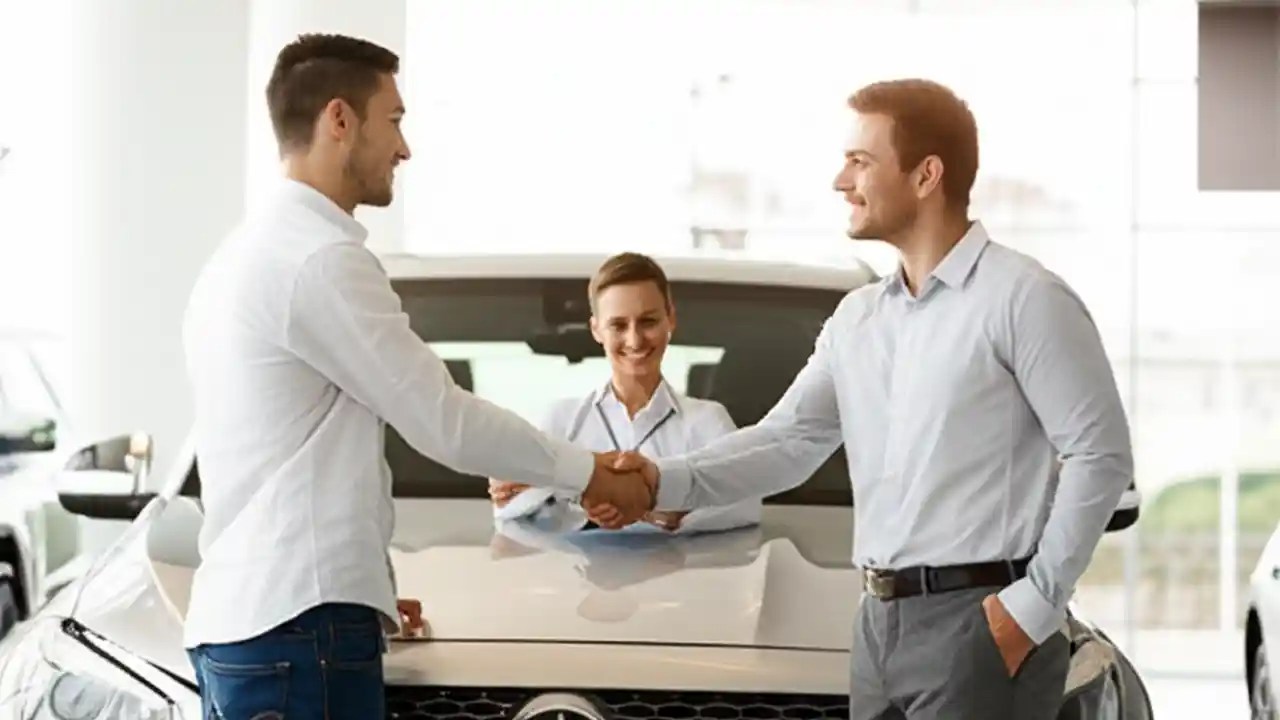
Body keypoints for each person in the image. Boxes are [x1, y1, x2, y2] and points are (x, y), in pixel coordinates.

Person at [604, 79, 1134, 719]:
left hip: (982, 623)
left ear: (926, 175)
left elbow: (1100, 455)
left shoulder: (1023, 298)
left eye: (860, 161)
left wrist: (1031, 608)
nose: (839, 180)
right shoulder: (858, 320)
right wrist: (663, 479)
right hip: (876, 623)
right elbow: (789, 440)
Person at [180, 34, 651, 720]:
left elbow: (281, 454)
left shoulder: (238, 256)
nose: (405, 148)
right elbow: (444, 421)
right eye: (394, 120)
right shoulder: (318, 261)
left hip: (263, 620)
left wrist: (357, 588)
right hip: (297, 634)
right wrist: (592, 473)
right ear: (340, 120)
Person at [488, 252, 760, 535]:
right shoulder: (559, 421)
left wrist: (661, 511)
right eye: (618, 325)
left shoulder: (707, 422)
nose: (634, 339)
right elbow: (508, 508)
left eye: (648, 322)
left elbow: (746, 504)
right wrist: (586, 495)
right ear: (596, 330)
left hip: (683, 575)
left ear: (670, 320)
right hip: (573, 576)